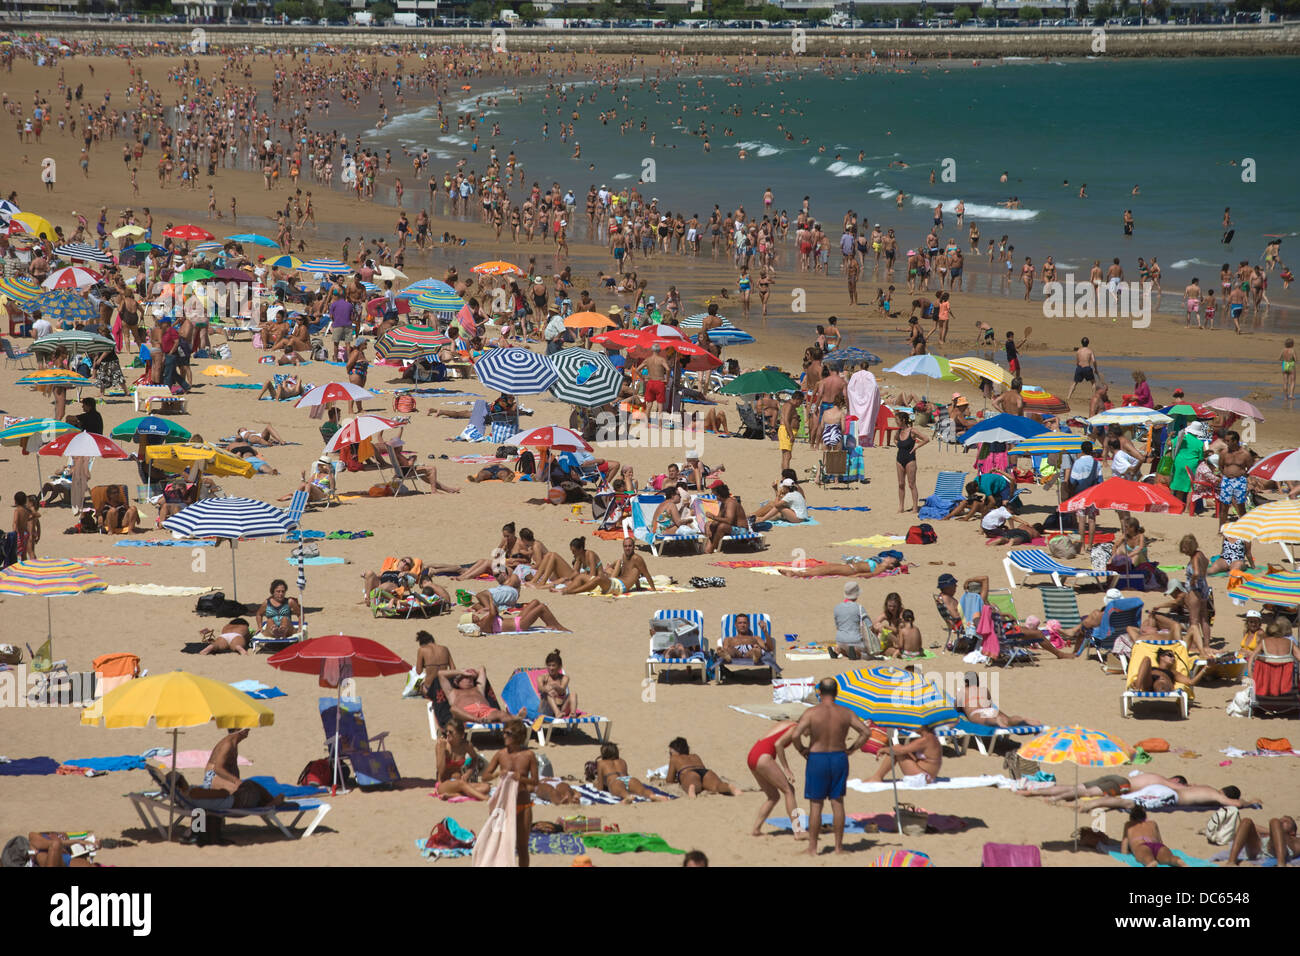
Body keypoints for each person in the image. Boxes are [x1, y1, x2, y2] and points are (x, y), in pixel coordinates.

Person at [787, 677, 872, 855]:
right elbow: (866, 732)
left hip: (817, 758)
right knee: (837, 802)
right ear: (836, 692)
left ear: (819, 692)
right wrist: (851, 749)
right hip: (839, 757)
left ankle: (812, 848)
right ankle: (839, 848)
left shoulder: (811, 712)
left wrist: (802, 749)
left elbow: (795, 735)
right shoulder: (846, 712)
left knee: (816, 805)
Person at [481, 719, 539, 867]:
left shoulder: (529, 755)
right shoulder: (500, 754)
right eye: (504, 732)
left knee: (522, 847)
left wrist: (522, 779)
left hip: (523, 804)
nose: (504, 736)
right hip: (504, 806)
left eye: (507, 733)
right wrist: (497, 774)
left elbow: (535, 781)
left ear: (517, 736)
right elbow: (485, 776)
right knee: (500, 845)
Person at [748, 721, 802, 837]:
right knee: (789, 791)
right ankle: (798, 832)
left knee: (773, 796)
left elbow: (798, 745)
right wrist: (786, 769)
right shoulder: (795, 728)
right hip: (763, 757)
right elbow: (778, 744)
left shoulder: (788, 724)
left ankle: (756, 830)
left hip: (753, 755)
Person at [587, 742, 669, 803]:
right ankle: (652, 796)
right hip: (629, 779)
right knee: (643, 790)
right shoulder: (622, 761)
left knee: (622, 791)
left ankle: (627, 797)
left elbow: (600, 787)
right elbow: (625, 775)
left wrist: (595, 784)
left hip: (615, 781)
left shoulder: (601, 763)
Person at [439, 667, 525, 724]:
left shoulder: (478, 688)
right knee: (453, 709)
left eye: (471, 678)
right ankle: (477, 720)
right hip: (467, 713)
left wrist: (473, 673)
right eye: (466, 677)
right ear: (457, 682)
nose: (470, 679)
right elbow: (440, 674)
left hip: (486, 712)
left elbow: (482, 669)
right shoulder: (453, 692)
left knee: (501, 713)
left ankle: (517, 718)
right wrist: (461, 671)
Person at [434, 717, 490, 801]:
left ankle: (454, 795)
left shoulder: (466, 745)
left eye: (451, 732)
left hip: (460, 782)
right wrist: (442, 751)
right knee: (462, 784)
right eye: (447, 731)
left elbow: (474, 758)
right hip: (444, 784)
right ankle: (485, 798)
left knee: (486, 787)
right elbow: (440, 771)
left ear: (461, 735)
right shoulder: (442, 745)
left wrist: (468, 772)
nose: (448, 734)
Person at [867, 724, 943, 785]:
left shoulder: (925, 740)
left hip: (922, 778)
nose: (912, 726)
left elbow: (900, 751)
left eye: (915, 724)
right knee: (896, 749)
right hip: (927, 776)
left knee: (896, 749)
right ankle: (877, 777)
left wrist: (884, 749)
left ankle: (877, 777)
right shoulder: (931, 737)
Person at [667, 737, 742, 797]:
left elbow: (669, 780)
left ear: (676, 751)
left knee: (692, 785)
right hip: (706, 772)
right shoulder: (695, 756)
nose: (670, 755)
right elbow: (700, 774)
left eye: (670, 752)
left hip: (690, 774)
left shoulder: (674, 758)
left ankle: (692, 788)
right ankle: (729, 787)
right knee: (717, 786)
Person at [1227, 814, 1300, 867]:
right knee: (1246, 821)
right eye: (1281, 819)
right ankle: (1231, 862)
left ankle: (1281, 864)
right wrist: (1274, 831)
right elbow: (1254, 827)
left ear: (1292, 832)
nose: (1281, 820)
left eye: (1286, 821)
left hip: (1281, 850)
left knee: (1274, 821)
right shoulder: (1271, 832)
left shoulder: (1294, 839)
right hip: (1259, 847)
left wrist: (1277, 828)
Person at [1132, 646, 1206, 694]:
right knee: (1146, 659)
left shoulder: (1173, 672)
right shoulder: (1152, 668)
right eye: (1170, 655)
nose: (1173, 658)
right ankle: (1137, 689)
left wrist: (1205, 668)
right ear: (1161, 657)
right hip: (1149, 682)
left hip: (1162, 683)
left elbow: (1191, 682)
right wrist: (1135, 682)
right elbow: (1143, 676)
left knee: (1161, 683)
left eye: (1174, 657)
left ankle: (1160, 691)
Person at [894, 411, 928, 512]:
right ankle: (901, 506)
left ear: (903, 420)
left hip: (910, 459)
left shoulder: (912, 431)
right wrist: (900, 445)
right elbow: (895, 440)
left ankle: (915, 507)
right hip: (899, 459)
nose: (896, 422)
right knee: (901, 484)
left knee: (911, 484)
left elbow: (926, 439)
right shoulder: (898, 432)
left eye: (897, 420)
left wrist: (916, 447)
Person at [831, 581, 875, 660]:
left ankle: (838, 650)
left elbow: (837, 626)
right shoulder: (859, 608)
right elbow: (869, 626)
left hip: (840, 639)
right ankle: (856, 652)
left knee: (845, 649)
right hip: (855, 640)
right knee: (869, 656)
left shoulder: (836, 608)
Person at [778, 554, 901, 579]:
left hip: (851, 570)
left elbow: (872, 574)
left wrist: (859, 575)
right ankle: (798, 572)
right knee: (826, 567)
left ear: (891, 564)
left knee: (826, 570)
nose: (888, 557)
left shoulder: (882, 567)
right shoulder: (880, 564)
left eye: (891, 559)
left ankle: (794, 574)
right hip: (850, 567)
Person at [537, 649, 577, 717]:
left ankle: (573, 713)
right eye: (549, 665)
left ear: (559, 666)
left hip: (562, 708)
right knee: (549, 693)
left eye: (553, 665)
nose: (551, 668)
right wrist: (546, 689)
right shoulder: (542, 678)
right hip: (546, 710)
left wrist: (555, 686)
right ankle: (557, 713)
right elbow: (540, 688)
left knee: (573, 694)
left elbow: (562, 690)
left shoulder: (564, 678)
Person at [414, 629, 453, 697]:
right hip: (444, 688)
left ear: (422, 643)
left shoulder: (422, 650)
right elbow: (453, 668)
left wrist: (427, 666)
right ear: (432, 639)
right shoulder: (445, 649)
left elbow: (419, 671)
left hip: (429, 689)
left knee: (417, 687)